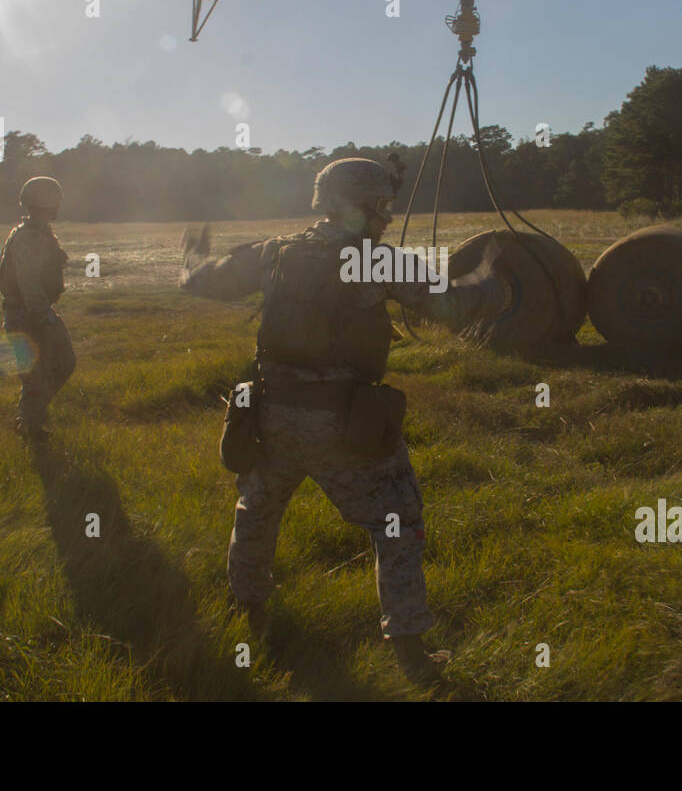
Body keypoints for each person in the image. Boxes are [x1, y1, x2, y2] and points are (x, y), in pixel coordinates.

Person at [179, 156, 512, 683]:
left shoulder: (274, 252)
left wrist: (192, 256)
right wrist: (493, 287)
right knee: (397, 522)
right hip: (343, 422)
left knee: (258, 508)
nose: (386, 215)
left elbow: (200, 282)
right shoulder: (380, 262)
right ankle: (411, 653)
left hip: (272, 414)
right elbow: (448, 306)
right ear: (352, 204)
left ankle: (250, 609)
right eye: (379, 204)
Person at [0, 176, 76, 444]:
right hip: (26, 316)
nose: (59, 204)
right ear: (46, 202)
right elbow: (28, 281)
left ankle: (30, 417)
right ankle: (31, 427)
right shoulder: (31, 236)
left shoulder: (38, 231)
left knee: (62, 364)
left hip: (32, 313)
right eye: (56, 199)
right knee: (35, 377)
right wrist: (44, 317)